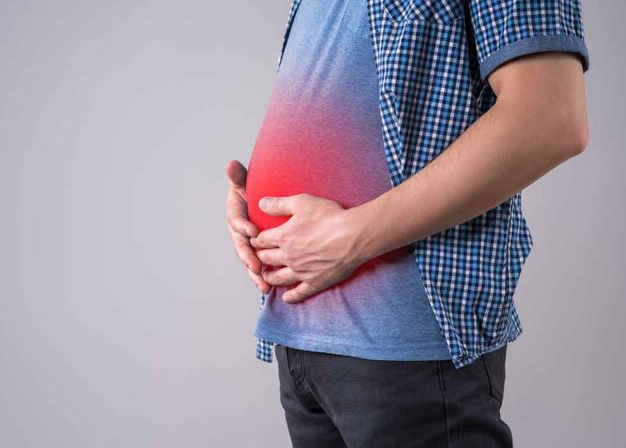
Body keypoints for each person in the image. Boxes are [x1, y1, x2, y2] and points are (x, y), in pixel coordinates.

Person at [225, 0, 589, 446]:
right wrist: (255, 201)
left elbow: (550, 116)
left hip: (407, 355)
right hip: (299, 339)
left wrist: (351, 238)